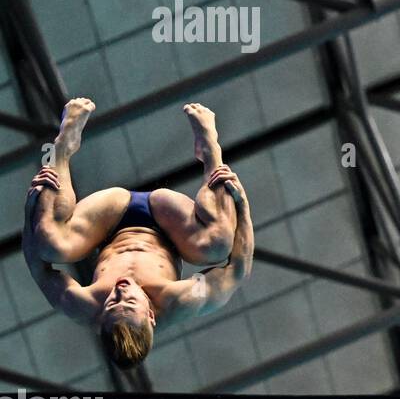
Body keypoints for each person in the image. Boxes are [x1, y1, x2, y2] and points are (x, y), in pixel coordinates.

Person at [22, 98, 253, 369]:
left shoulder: (80, 305)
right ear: (151, 316)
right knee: (217, 245)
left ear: (100, 320)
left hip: (108, 219)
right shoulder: (184, 300)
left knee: (49, 244)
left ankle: (62, 147)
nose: (120, 291)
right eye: (129, 302)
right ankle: (211, 152)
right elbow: (238, 270)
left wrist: (30, 211)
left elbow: (38, 267)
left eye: (111, 304)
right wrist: (242, 205)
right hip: (168, 222)